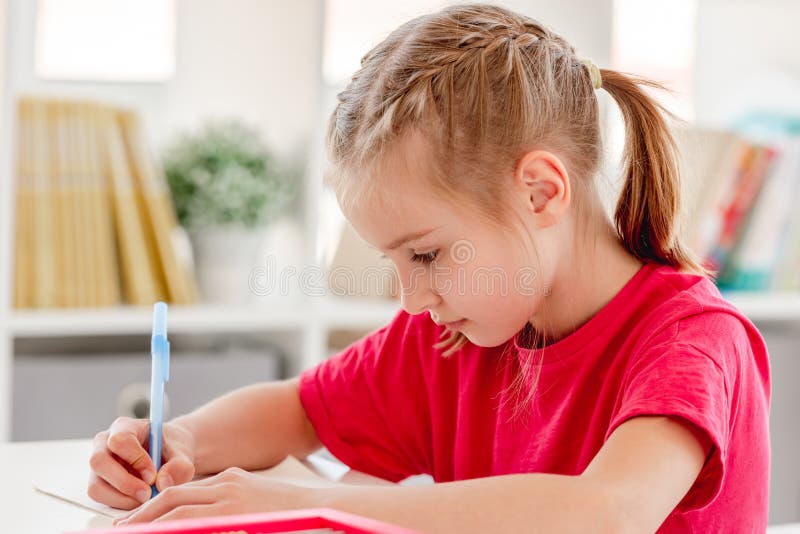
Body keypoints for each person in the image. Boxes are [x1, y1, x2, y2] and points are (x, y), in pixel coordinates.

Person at [88, 4, 770, 532]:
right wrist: (177, 440)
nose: (411, 299)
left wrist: (311, 501)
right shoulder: (460, 333)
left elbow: (607, 514)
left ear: (540, 192)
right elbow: (299, 410)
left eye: (426, 254)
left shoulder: (691, 340)